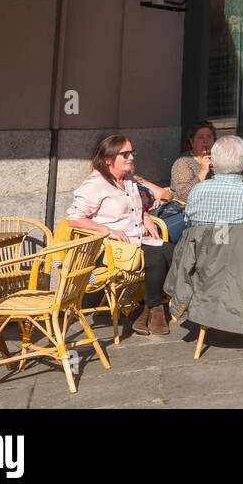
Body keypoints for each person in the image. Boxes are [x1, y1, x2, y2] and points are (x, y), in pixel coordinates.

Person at [67, 135, 176, 336]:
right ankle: (155, 309)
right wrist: (108, 230)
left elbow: (135, 206)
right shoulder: (95, 183)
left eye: (132, 152)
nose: (131, 157)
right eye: (124, 154)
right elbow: (73, 218)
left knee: (174, 252)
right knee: (155, 259)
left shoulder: (128, 179)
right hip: (109, 250)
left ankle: (143, 309)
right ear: (108, 159)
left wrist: (145, 216)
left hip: (136, 241)